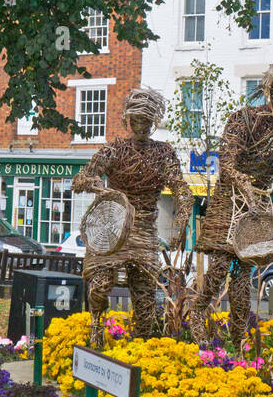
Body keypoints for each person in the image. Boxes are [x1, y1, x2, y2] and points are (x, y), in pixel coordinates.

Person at [190, 64, 273, 351]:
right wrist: (241, 181)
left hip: (257, 206)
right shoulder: (242, 119)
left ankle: (238, 337)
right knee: (220, 265)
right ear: (269, 89)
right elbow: (227, 162)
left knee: (243, 275)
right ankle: (198, 310)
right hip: (230, 200)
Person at [73, 87, 192, 348]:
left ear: (153, 123)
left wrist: (182, 216)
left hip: (144, 231)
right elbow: (81, 179)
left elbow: (180, 187)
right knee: (100, 286)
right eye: (136, 120)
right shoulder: (114, 150)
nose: (140, 126)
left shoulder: (164, 153)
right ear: (128, 120)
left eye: (146, 121)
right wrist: (99, 188)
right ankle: (96, 333)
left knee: (145, 296)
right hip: (112, 229)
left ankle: (140, 348)